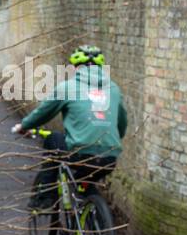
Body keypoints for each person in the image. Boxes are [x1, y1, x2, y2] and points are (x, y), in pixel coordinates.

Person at [11, 44, 127, 208]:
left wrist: (24, 126)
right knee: (85, 183)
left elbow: (43, 113)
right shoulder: (114, 89)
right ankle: (94, 221)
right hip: (109, 156)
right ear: (101, 67)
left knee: (53, 139)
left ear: (75, 67)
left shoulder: (68, 87)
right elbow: (121, 125)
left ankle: (45, 197)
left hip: (80, 153)